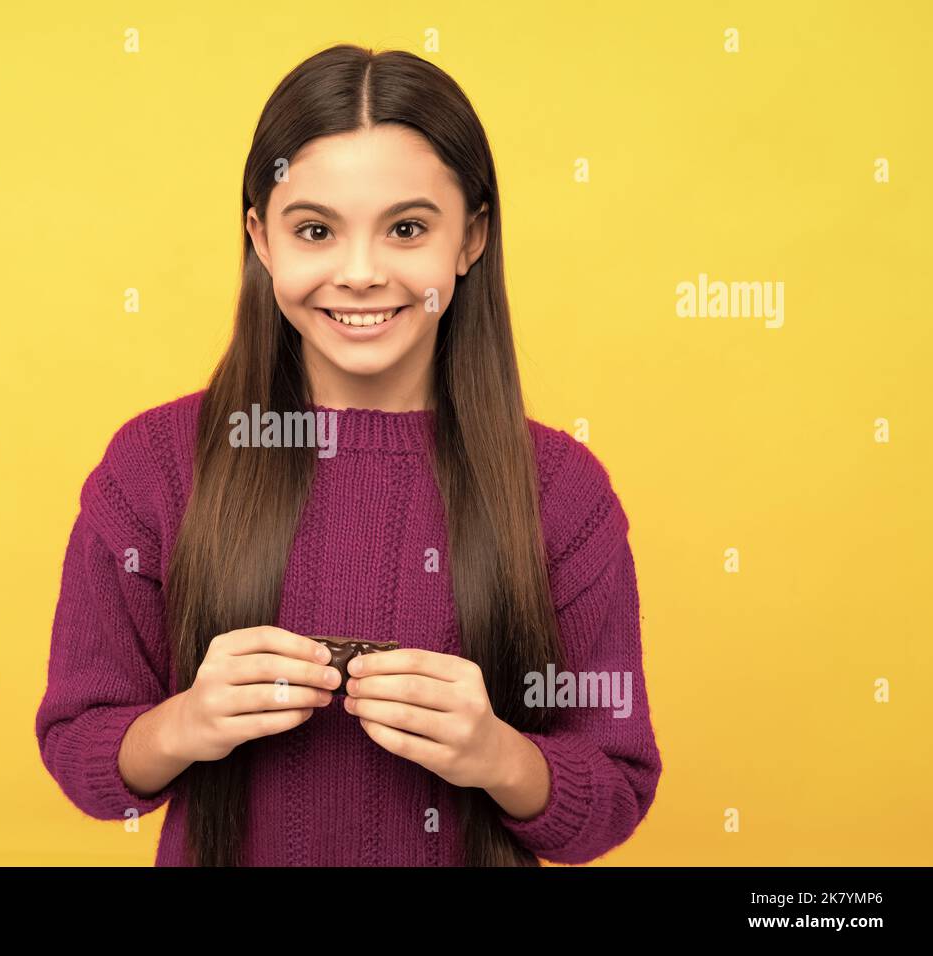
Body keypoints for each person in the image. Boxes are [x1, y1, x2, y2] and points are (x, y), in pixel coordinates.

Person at [34, 43, 662, 866]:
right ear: (261, 238)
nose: (360, 273)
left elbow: (613, 792)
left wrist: (500, 757)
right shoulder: (153, 465)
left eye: (406, 229)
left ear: (471, 238)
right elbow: (84, 756)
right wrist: (182, 724)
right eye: (316, 230)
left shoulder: (561, 492)